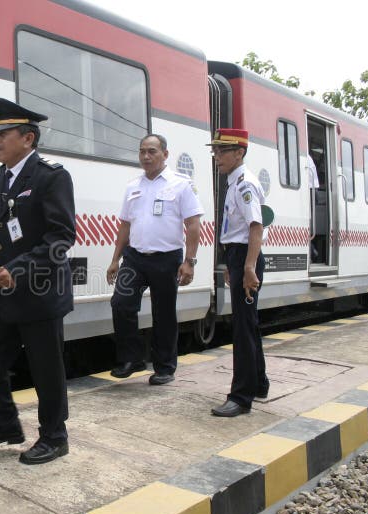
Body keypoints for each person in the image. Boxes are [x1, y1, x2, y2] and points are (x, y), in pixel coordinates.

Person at [0, 97, 76, 465]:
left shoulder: (51, 176)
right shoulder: (1, 178)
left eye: (4, 133)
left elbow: (61, 238)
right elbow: (3, 227)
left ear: (28, 138)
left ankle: (55, 437)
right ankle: (4, 425)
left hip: (38, 290)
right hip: (4, 290)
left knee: (45, 369)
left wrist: (20, 269)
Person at [106, 134, 204, 384]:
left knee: (164, 314)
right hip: (134, 258)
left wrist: (189, 261)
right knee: (121, 303)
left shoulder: (181, 184)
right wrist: (115, 259)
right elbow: (125, 226)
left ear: (165, 154)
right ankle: (132, 358)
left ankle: (165, 367)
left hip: (167, 259)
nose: (146, 157)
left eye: (152, 151)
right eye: (142, 152)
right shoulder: (133, 186)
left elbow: (193, 225)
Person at [209, 128, 269, 417]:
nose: (216, 156)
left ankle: (241, 397)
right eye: (215, 151)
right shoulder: (235, 182)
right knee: (249, 324)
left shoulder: (245, 185)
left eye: (222, 151)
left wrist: (247, 267)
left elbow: (255, 227)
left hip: (246, 257)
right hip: (238, 256)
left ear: (239, 153)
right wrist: (233, 264)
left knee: (243, 328)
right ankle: (259, 383)